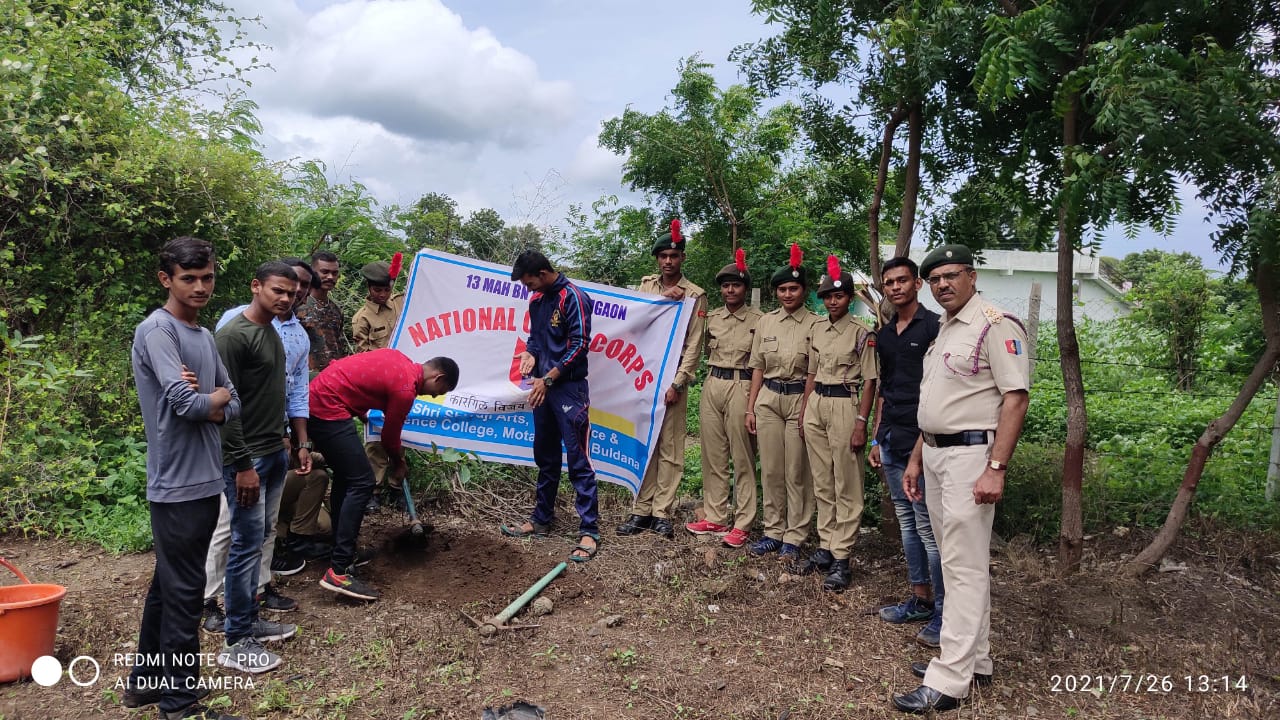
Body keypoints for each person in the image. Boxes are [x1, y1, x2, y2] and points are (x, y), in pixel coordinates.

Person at [891, 244, 1030, 714]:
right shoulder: (946, 329)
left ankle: (950, 679)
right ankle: (977, 659)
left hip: (973, 457)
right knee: (959, 563)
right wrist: (915, 458)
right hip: (934, 452)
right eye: (935, 279)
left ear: (971, 276)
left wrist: (996, 467)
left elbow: (1015, 398)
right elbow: (935, 404)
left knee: (962, 565)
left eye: (951, 275)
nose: (942, 284)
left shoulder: (995, 324)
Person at [126, 235, 243, 720]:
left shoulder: (203, 336)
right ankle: (180, 704)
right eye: (188, 278)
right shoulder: (159, 331)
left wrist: (213, 401)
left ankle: (144, 686)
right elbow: (187, 403)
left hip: (205, 479)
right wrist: (209, 400)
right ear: (166, 279)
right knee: (184, 595)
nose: (200, 287)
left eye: (207, 277)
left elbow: (231, 403)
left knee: (168, 585)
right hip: (175, 484)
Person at [201, 259, 315, 637]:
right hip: (244, 457)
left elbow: (292, 391)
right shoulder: (233, 335)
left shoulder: (281, 334)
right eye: (278, 290)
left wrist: (297, 441)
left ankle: (250, 609)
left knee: (261, 535)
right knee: (236, 537)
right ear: (256, 286)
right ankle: (227, 624)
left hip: (273, 448)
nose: (286, 298)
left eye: (292, 293)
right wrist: (241, 462)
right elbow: (224, 407)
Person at [309, 349, 460, 600]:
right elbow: (390, 437)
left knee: (348, 478)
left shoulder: (399, 360)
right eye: (439, 391)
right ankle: (339, 570)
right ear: (438, 377)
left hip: (320, 397)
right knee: (363, 481)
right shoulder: (405, 389)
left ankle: (341, 550)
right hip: (326, 406)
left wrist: (360, 411)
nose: (433, 395)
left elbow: (354, 375)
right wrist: (399, 463)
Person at [501, 250, 600, 562]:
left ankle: (589, 531)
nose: (528, 289)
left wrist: (550, 377)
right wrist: (530, 355)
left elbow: (579, 345)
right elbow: (535, 339)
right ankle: (542, 520)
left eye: (530, 282)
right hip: (542, 388)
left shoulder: (573, 297)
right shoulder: (537, 300)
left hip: (568, 391)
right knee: (545, 455)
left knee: (578, 459)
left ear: (543, 273)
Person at [870, 256, 944, 646]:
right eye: (889, 283)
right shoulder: (885, 334)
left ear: (917, 284)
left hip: (925, 441)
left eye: (902, 280)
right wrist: (876, 437)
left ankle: (945, 613)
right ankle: (919, 597)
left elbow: (937, 392)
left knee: (930, 528)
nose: (896, 287)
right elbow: (885, 387)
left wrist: (918, 446)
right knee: (906, 519)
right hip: (892, 438)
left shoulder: (934, 327)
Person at [617, 219, 706, 539]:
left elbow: (695, 344)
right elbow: (632, 324)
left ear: (682, 258)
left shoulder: (695, 295)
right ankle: (640, 509)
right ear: (657, 258)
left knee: (670, 447)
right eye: (663, 256)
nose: (668, 261)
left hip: (671, 380)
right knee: (644, 443)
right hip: (642, 375)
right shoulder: (645, 287)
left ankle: (662, 512)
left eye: (674, 255)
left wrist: (679, 383)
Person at [797, 257, 878, 591]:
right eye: (827, 296)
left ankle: (842, 557)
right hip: (817, 403)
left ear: (848, 298)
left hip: (846, 403)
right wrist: (804, 411)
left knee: (847, 483)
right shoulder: (817, 328)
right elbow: (812, 373)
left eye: (839, 295)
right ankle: (826, 546)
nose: (833, 300)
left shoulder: (862, 333)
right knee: (822, 481)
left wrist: (862, 422)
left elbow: (871, 380)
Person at [745, 244, 819, 561]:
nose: (788, 294)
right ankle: (773, 531)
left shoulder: (816, 324)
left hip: (799, 398)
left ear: (804, 290)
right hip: (769, 399)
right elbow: (758, 366)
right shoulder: (766, 322)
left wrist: (806, 410)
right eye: (782, 289)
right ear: (775, 292)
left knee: (797, 471)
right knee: (772, 470)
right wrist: (750, 407)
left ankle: (795, 534)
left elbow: (815, 371)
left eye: (793, 288)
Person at [684, 250, 762, 549]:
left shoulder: (759, 320)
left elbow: (760, 363)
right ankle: (715, 515)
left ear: (745, 288)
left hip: (742, 385)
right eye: (726, 286)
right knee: (713, 454)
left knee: (742, 456)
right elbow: (698, 347)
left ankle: (743, 522)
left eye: (736, 285)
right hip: (713, 382)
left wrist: (752, 404)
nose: (730, 290)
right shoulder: (711, 317)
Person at [352, 260, 406, 511]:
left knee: (401, 434)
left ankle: (397, 487)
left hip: (404, 380)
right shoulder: (362, 318)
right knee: (375, 439)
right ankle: (373, 489)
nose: (382, 294)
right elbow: (363, 357)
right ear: (369, 288)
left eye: (386, 289)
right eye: (377, 290)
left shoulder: (399, 302)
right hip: (377, 384)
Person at [296, 250, 349, 371]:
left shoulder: (336, 310)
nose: (330, 277)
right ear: (313, 272)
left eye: (334, 273)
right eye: (324, 272)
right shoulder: (299, 306)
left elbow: (339, 346)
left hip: (333, 376)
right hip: (306, 378)